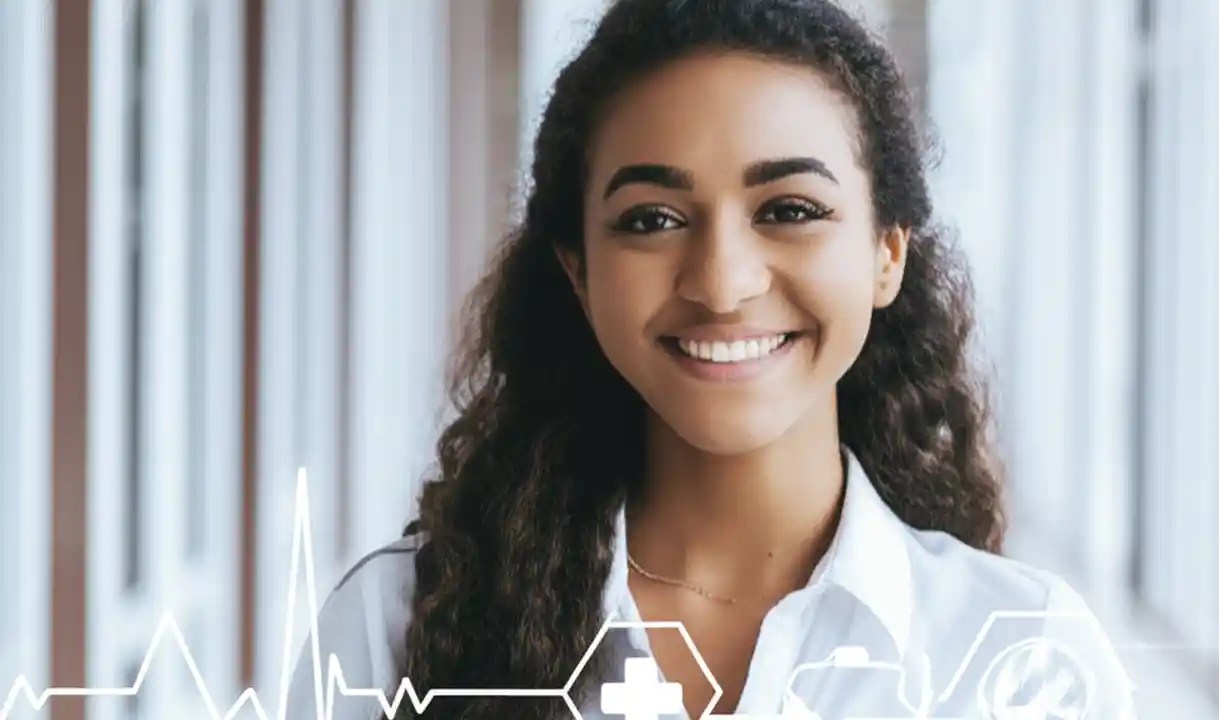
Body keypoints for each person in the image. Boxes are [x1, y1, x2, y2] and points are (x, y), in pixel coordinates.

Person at [286, 0, 1135, 718]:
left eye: (791, 209)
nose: (723, 284)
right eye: (652, 219)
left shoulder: (1023, 662)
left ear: (887, 252)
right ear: (579, 271)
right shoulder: (391, 629)